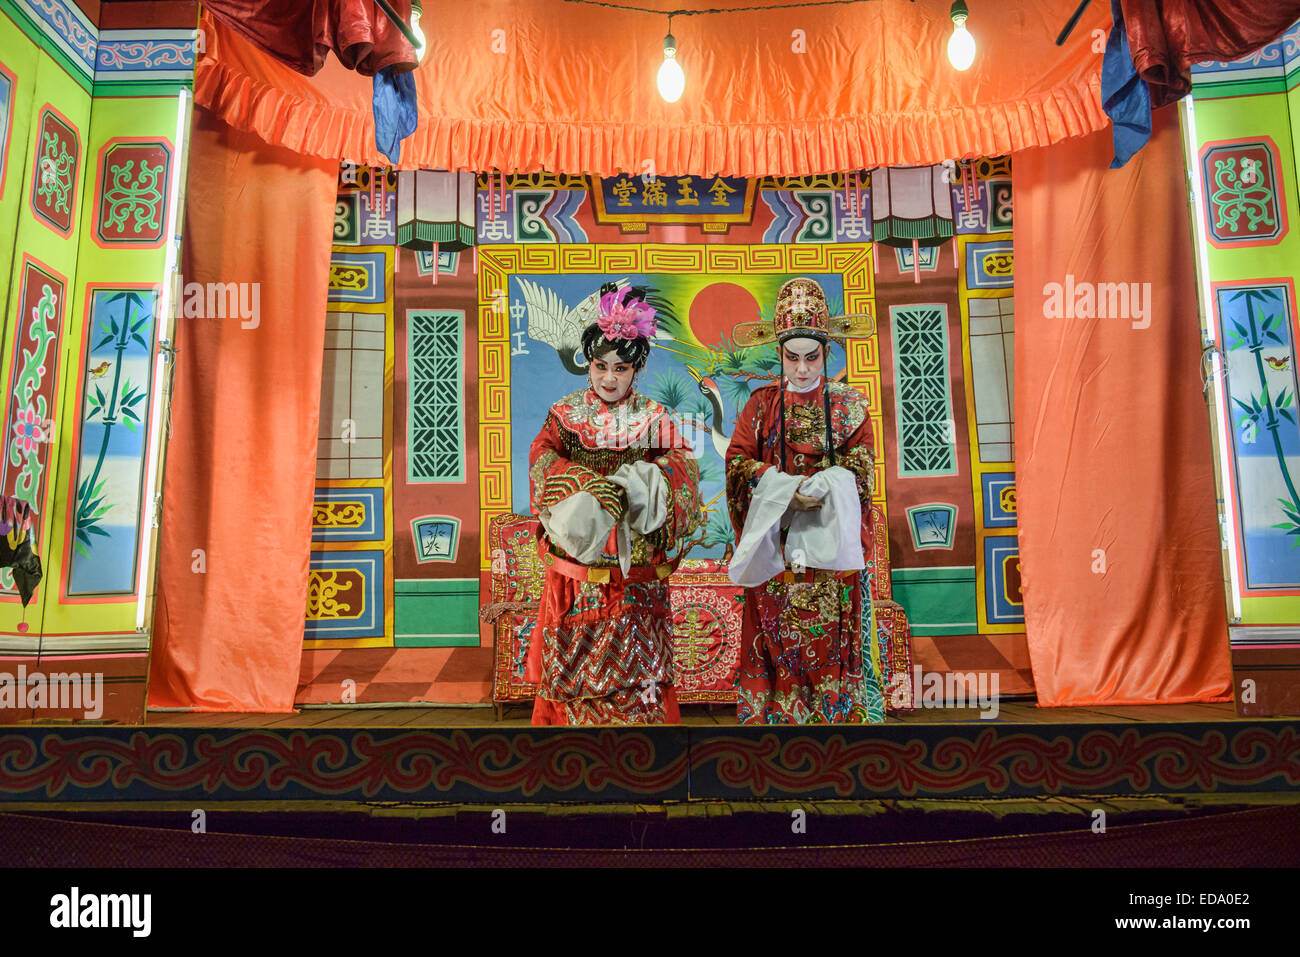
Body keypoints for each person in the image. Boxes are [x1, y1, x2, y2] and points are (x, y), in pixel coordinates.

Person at [525, 284, 702, 725]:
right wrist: (584, 482)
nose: (608, 378)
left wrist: (637, 485)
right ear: (588, 363)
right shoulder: (565, 414)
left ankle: (645, 762)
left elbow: (683, 467)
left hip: (636, 571)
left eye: (620, 368)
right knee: (574, 670)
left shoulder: (654, 417)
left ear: (636, 369)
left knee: (640, 675)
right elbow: (542, 459)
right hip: (578, 568)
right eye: (600, 366)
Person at [724, 277, 883, 724]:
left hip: (831, 552)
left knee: (830, 639)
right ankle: (776, 721)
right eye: (791, 358)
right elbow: (737, 463)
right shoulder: (760, 405)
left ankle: (836, 724)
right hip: (778, 547)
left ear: (826, 353)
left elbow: (863, 469)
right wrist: (782, 491)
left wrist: (828, 486)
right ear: (779, 355)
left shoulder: (849, 405)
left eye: (811, 357)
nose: (801, 369)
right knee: (778, 636)